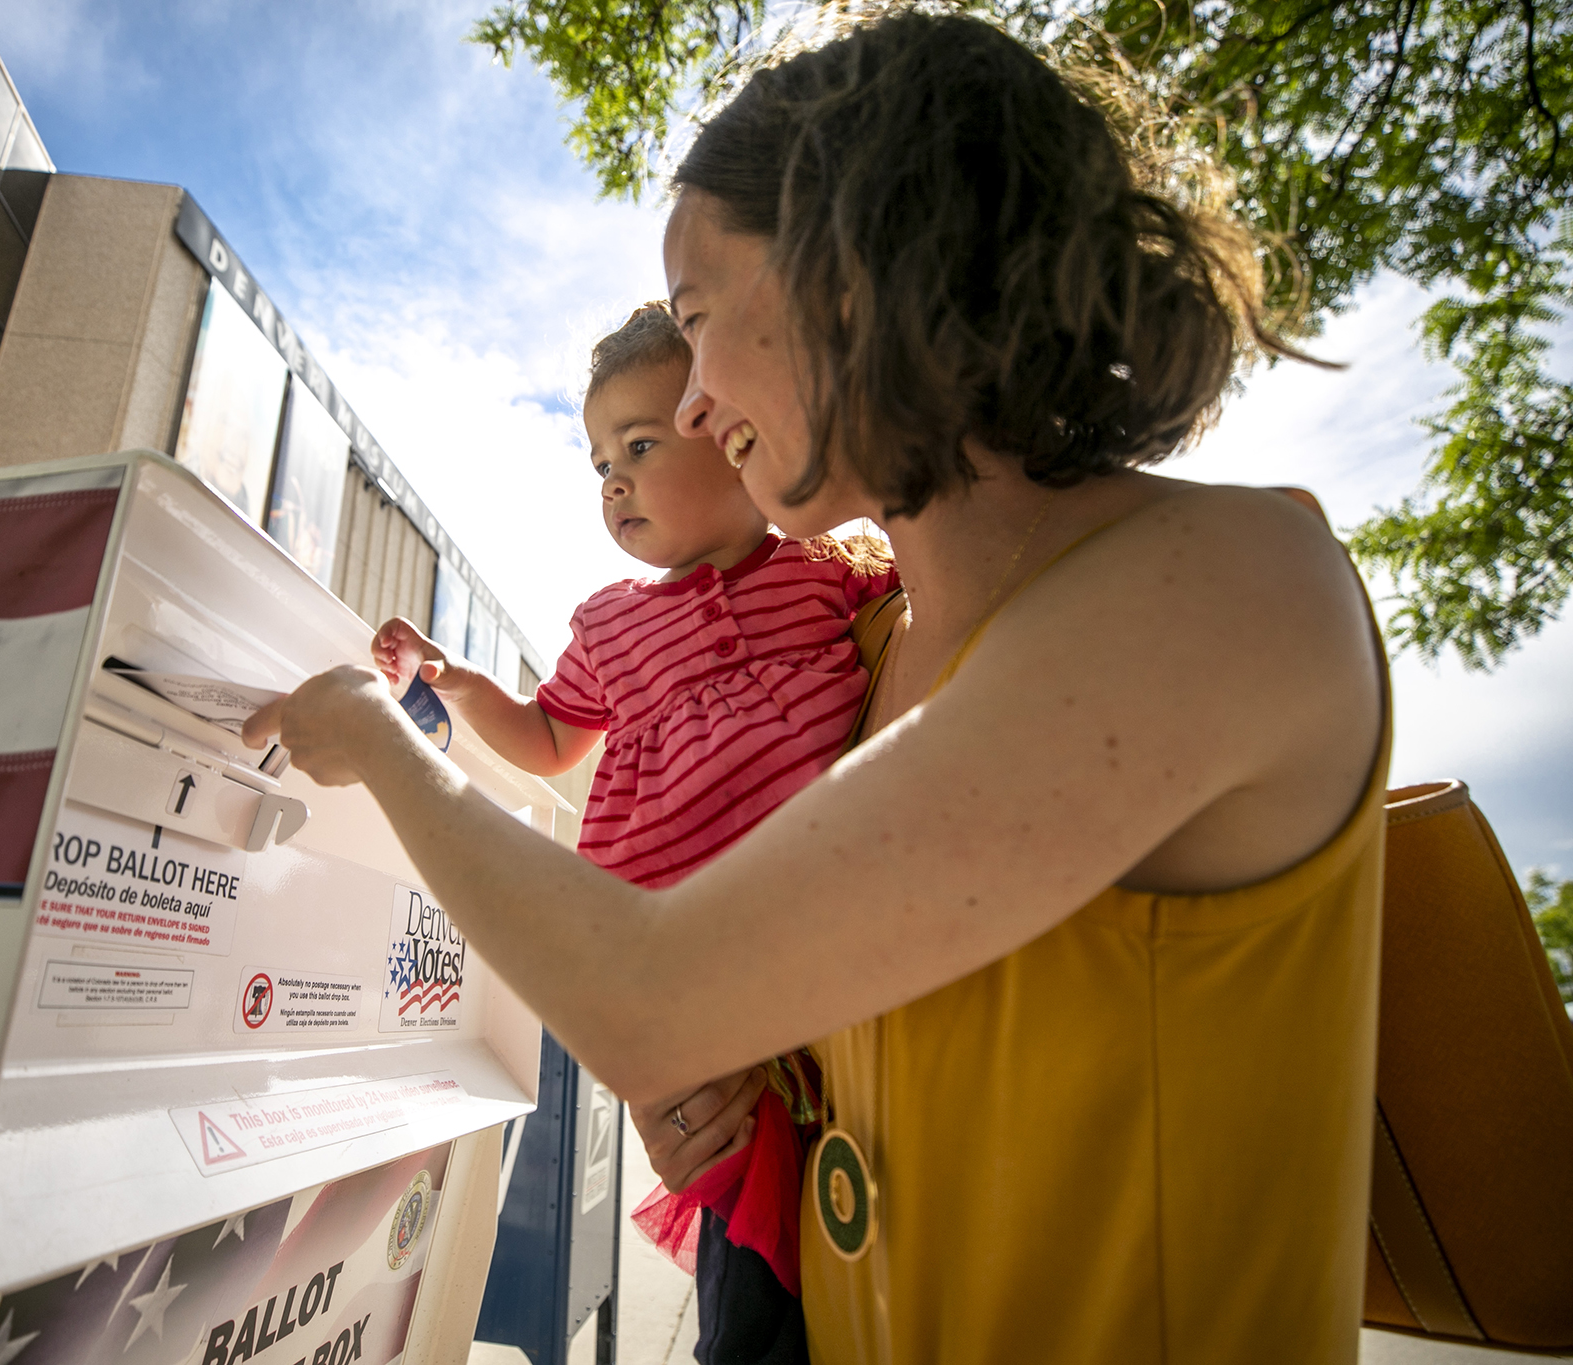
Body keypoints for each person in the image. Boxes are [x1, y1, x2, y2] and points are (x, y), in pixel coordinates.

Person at [247, 12, 1386, 1363]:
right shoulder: (862, 653)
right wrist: (750, 1094)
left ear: (855, 270)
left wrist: (384, 743)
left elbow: (646, 990)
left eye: (701, 319)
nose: (692, 400)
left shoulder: (1232, 579)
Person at [369, 305, 896, 1364]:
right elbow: (553, 736)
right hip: (678, 964)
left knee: (847, 1229)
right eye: (599, 461)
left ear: (728, 429)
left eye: (640, 447)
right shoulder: (609, 624)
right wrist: (461, 686)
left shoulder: (830, 573)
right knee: (746, 1235)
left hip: (826, 951)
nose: (611, 481)